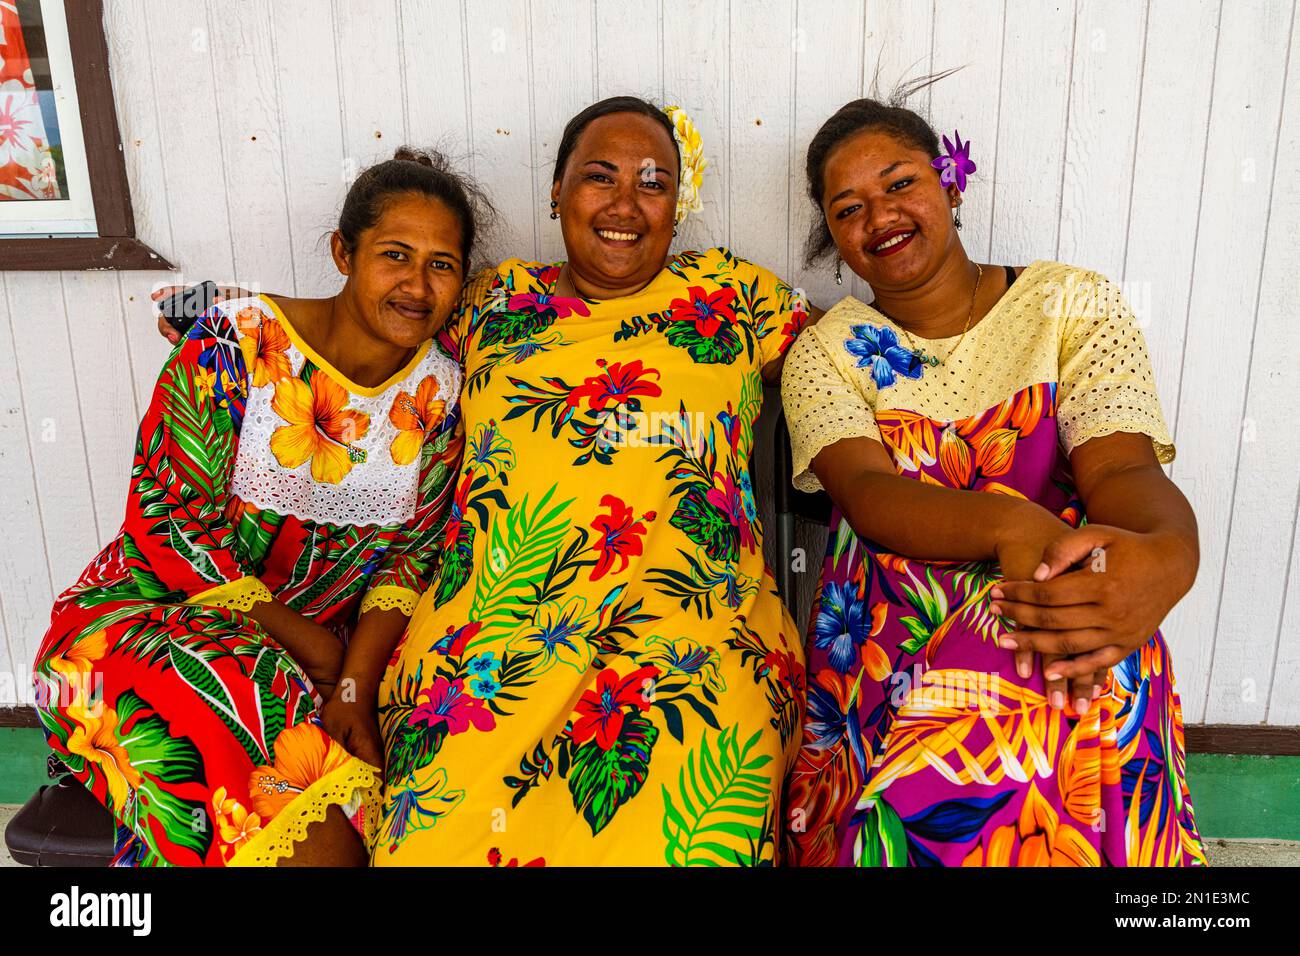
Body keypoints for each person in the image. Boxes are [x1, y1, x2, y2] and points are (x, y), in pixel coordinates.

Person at [372, 97, 816, 866]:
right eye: (598, 177)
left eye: (652, 182)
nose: (623, 205)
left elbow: (858, 360)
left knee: (687, 830)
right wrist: (243, 322)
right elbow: (364, 326)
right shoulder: (492, 303)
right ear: (555, 191)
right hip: (488, 645)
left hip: (694, 644)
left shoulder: (735, 298)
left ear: (678, 204)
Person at [780, 93, 1207, 866]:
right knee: (1044, 638)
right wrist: (1015, 526)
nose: (880, 215)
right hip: (892, 635)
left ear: (951, 183)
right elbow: (870, 496)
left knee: (1084, 624)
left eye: (900, 183)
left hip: (1058, 593)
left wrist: (1169, 555)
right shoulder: (829, 350)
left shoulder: (1070, 305)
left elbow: (1120, 467)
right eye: (849, 208)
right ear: (836, 239)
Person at [35, 147, 489, 866]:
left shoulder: (441, 395)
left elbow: (409, 558)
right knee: (300, 804)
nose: (417, 284)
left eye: (442, 264)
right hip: (151, 619)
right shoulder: (234, 345)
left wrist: (351, 685)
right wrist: (311, 645)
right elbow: (166, 522)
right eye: (395, 255)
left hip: (324, 655)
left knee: (405, 774)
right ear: (344, 252)